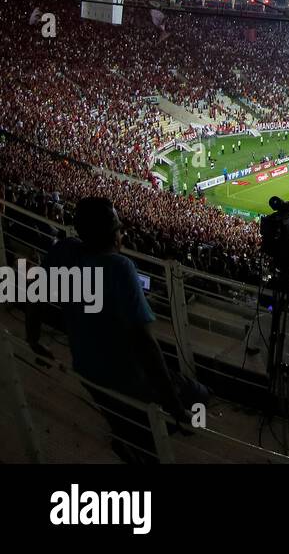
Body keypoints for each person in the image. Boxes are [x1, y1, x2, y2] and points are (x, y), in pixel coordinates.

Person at [44, 197, 185, 463]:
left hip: (86, 369)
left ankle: (124, 442)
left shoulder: (62, 250)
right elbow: (145, 342)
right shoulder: (119, 267)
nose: (123, 234)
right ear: (111, 234)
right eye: (120, 228)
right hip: (125, 376)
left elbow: (35, 296)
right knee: (186, 406)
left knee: (119, 419)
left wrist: (32, 338)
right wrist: (172, 401)